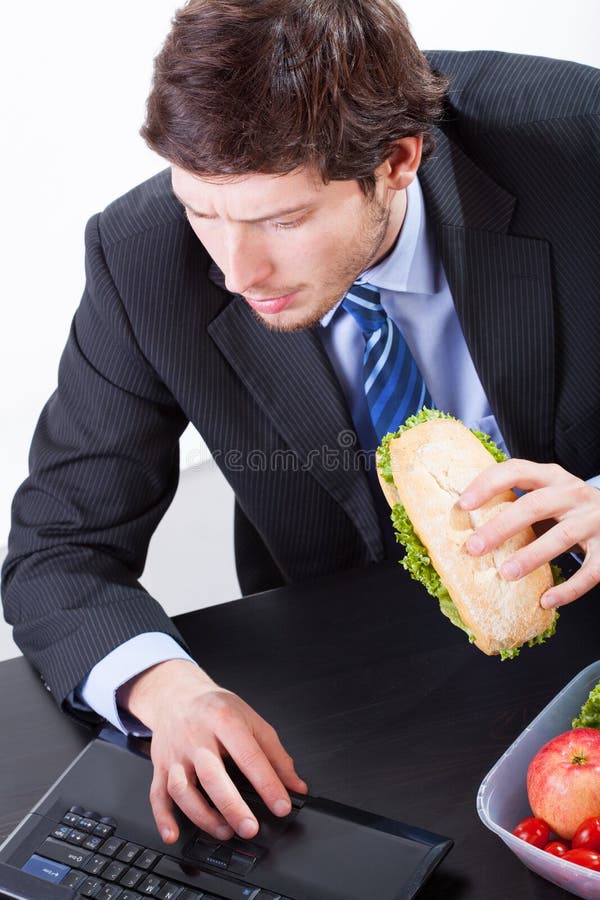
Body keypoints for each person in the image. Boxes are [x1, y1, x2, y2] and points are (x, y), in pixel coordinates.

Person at [2, 0, 600, 849]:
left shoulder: (582, 142)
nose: (237, 271)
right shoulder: (140, 256)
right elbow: (58, 548)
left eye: (282, 221)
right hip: (354, 684)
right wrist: (165, 688)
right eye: (203, 212)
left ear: (398, 160)